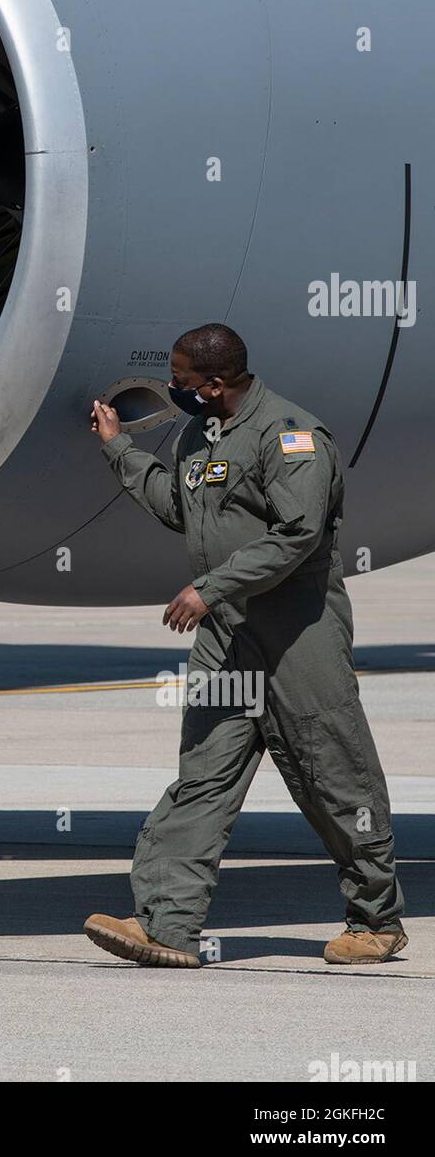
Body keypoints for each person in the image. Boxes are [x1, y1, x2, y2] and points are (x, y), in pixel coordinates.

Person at [84, 322, 405, 967]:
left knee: (331, 775)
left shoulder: (292, 437)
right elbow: (180, 508)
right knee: (203, 775)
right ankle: (166, 925)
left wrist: (209, 587)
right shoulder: (198, 438)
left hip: (297, 635)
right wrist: (120, 450)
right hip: (227, 638)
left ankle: (377, 919)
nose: (171, 388)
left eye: (180, 378)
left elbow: (299, 534)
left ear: (215, 382)